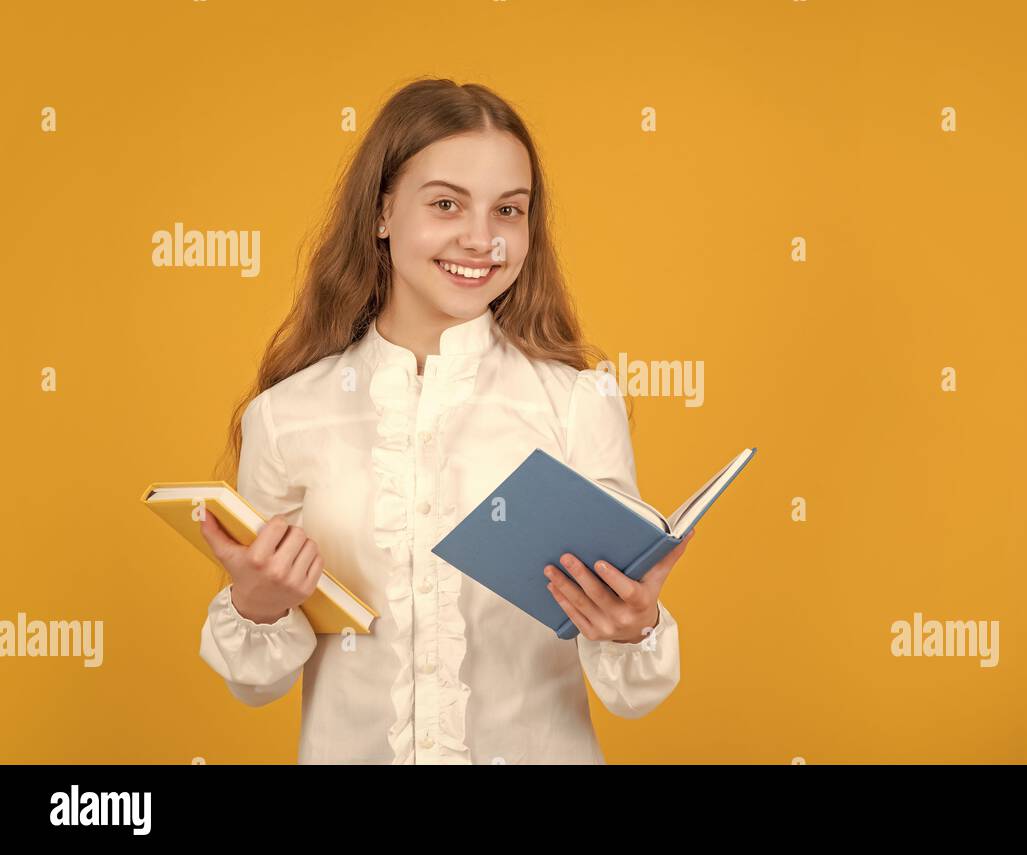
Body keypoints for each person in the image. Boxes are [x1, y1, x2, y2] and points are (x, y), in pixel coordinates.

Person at [195, 78, 692, 764]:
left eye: (509, 210)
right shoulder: (286, 417)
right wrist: (256, 603)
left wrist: (631, 625)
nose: (481, 238)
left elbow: (634, 694)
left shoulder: (578, 402)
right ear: (381, 213)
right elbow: (254, 681)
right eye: (446, 204)